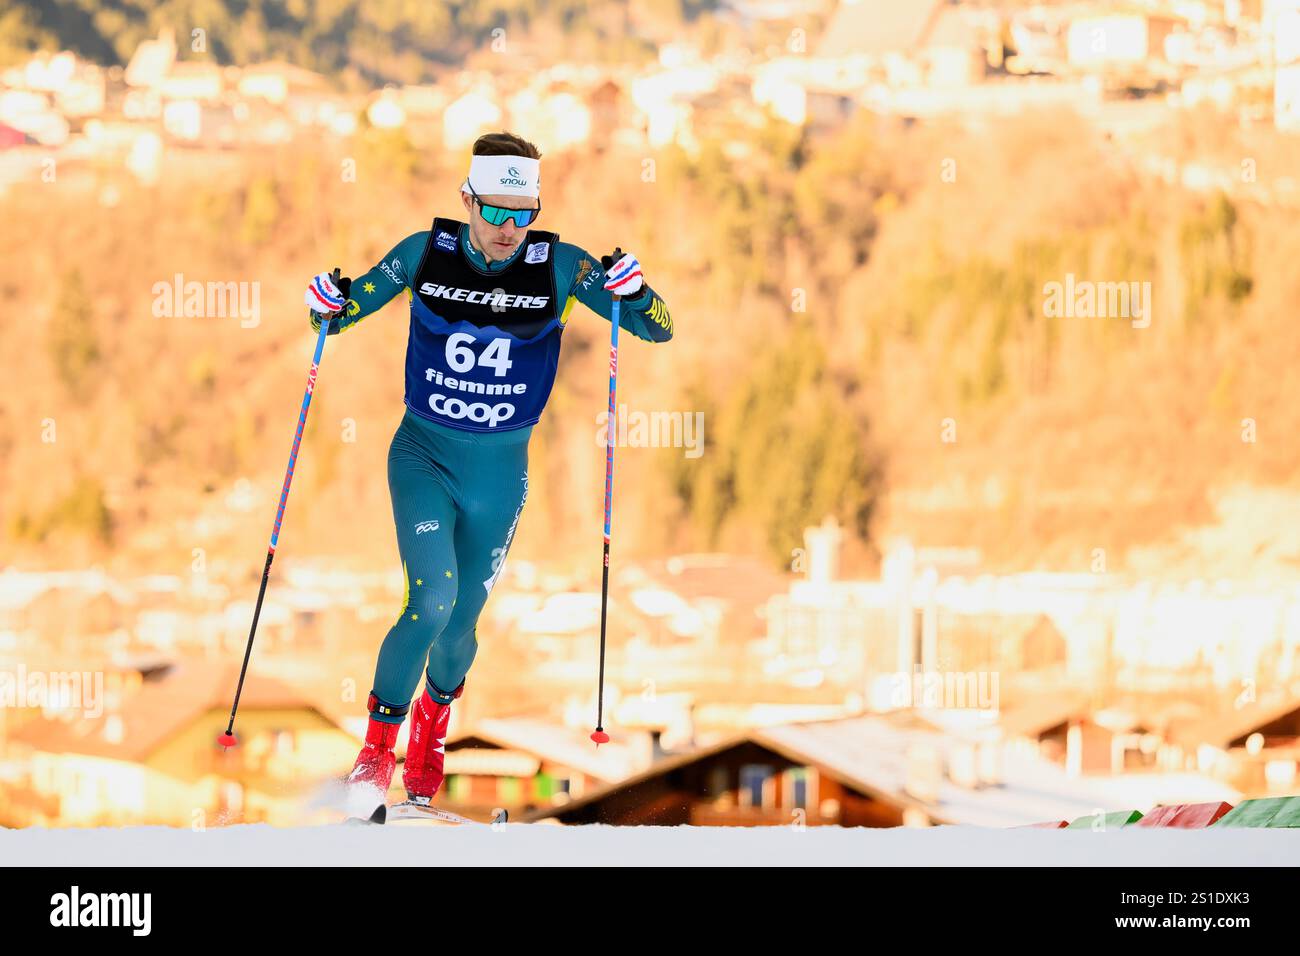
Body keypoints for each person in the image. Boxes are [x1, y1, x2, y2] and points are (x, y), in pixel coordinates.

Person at [304, 131, 673, 809]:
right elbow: (341, 311)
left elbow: (657, 328)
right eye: (495, 211)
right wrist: (326, 302)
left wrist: (638, 293)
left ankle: (433, 728)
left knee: (461, 626)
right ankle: (375, 755)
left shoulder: (559, 266)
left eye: (522, 213)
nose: (508, 229)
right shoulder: (425, 253)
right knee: (430, 600)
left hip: (500, 475)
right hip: (423, 455)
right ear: (467, 200)